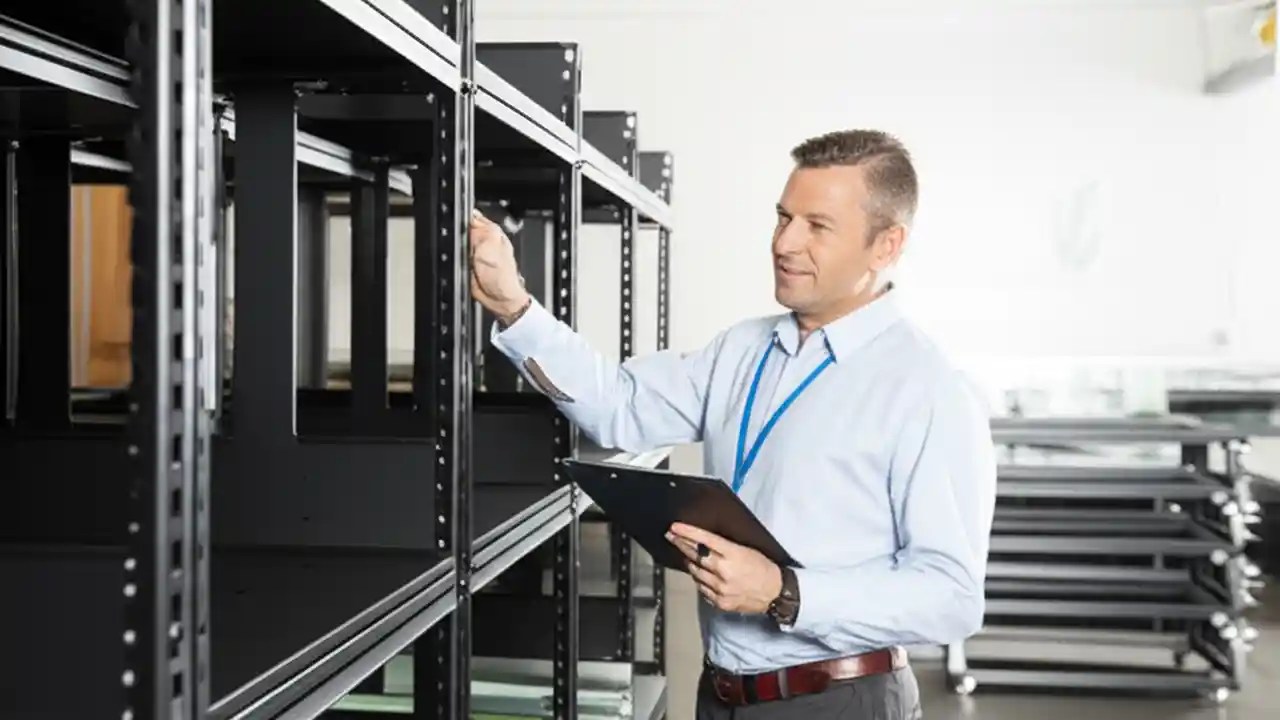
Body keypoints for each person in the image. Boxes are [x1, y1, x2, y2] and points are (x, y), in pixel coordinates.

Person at [470, 129, 997, 720]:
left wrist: (785, 592)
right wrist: (513, 304)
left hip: (840, 700)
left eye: (817, 226)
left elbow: (951, 596)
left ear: (886, 245)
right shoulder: (743, 348)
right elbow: (618, 405)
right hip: (721, 695)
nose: (785, 242)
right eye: (782, 217)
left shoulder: (927, 388)